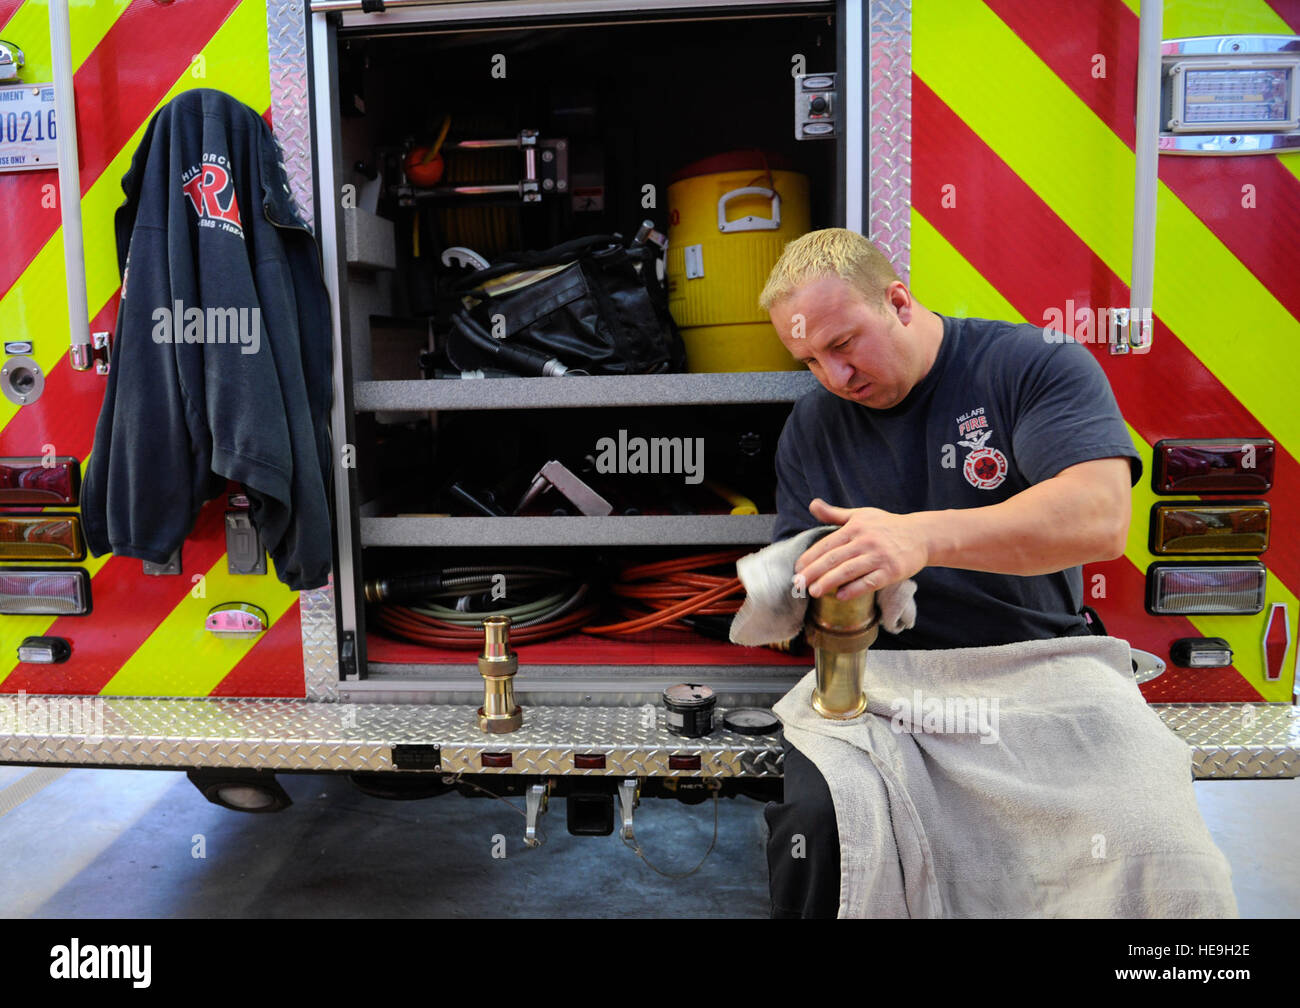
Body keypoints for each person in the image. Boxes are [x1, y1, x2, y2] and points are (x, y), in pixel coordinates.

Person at [756, 228, 1142, 918]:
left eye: (842, 345)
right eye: (808, 359)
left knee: (1142, 835)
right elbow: (799, 590)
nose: (833, 377)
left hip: (1043, 666)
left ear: (899, 302)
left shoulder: (1029, 365)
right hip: (883, 687)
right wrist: (815, 588)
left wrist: (917, 539)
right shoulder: (814, 424)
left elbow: (1102, 516)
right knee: (818, 824)